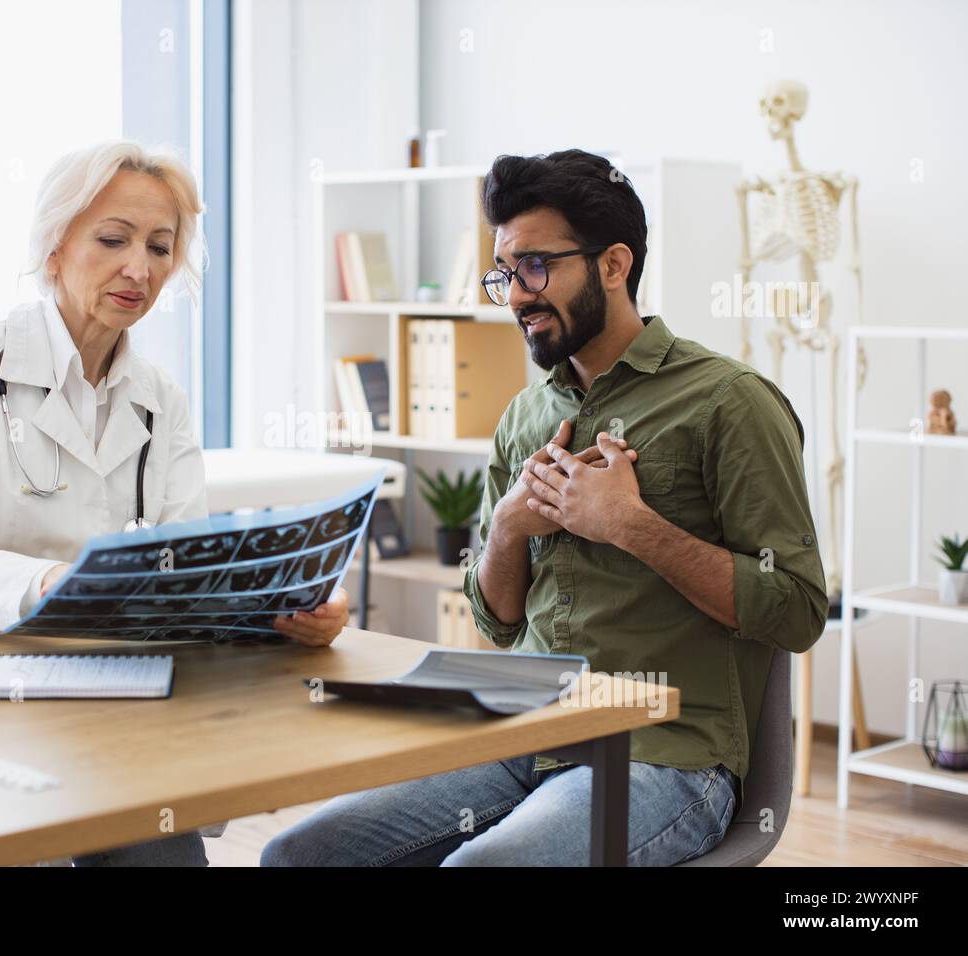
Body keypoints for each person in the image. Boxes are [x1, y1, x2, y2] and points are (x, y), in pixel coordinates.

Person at [262, 148, 827, 867]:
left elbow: (800, 609)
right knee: (299, 853)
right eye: (506, 273)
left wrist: (632, 526)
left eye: (535, 267)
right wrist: (505, 527)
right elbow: (497, 626)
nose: (517, 295)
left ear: (614, 265)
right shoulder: (527, 416)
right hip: (517, 729)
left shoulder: (729, 401)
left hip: (663, 754)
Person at [0, 140, 348, 865]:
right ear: (55, 246)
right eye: (112, 239)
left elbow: (187, 568)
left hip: (93, 682)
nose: (138, 269)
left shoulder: (160, 401)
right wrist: (47, 584)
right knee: (20, 838)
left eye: (159, 247)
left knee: (162, 847)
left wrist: (279, 609)